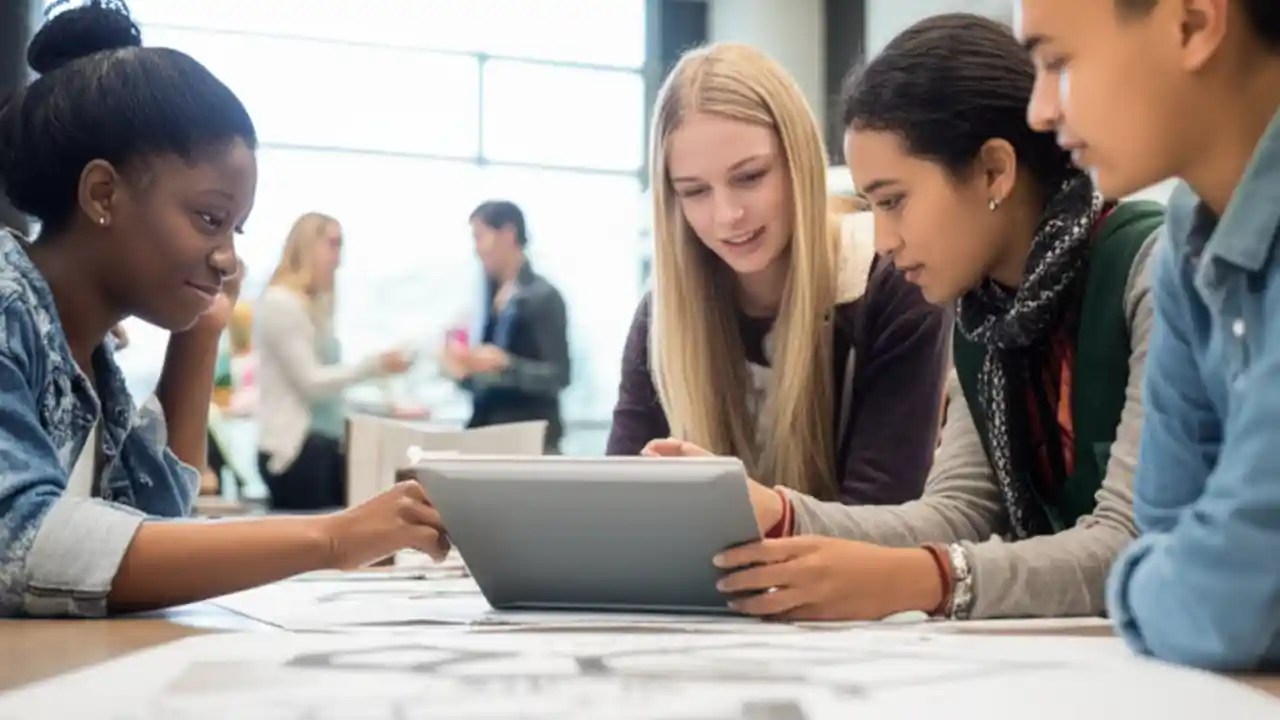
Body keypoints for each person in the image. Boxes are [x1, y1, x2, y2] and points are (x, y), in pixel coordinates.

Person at [703, 14, 1166, 621]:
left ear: (995, 171)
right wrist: (782, 513)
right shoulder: (985, 315)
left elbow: (1130, 544)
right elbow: (958, 515)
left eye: (893, 201)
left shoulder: (1148, 272)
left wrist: (930, 580)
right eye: (871, 206)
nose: (884, 239)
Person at [0, 2, 447, 618]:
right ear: (103, 194)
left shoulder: (88, 351)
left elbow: (151, 528)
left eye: (236, 229)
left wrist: (202, 333)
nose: (227, 260)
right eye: (210, 219)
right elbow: (24, 545)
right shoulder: (6, 309)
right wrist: (333, 538)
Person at [1016, 0, 1280, 669]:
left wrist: (1142, 592)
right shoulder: (1189, 239)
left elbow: (1224, 603)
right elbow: (1167, 533)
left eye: (1058, 62)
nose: (1040, 111)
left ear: (1192, 23)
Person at [609, 43, 950, 509]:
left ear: (799, 162)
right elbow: (624, 507)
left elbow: (878, 521)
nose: (727, 215)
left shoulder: (891, 283)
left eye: (750, 177)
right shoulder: (661, 318)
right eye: (694, 192)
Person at [256, 212, 414, 510]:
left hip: (320, 448)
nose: (338, 258)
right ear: (306, 245)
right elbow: (311, 384)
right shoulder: (281, 304)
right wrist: (374, 365)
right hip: (293, 454)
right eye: (332, 244)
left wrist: (383, 409)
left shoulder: (312, 306)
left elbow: (328, 399)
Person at [443, 200, 570, 453]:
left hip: (530, 444)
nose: (476, 249)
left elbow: (559, 375)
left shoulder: (543, 297)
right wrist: (463, 370)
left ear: (508, 234)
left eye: (480, 237)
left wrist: (505, 364)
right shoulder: (490, 299)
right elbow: (488, 384)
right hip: (489, 437)